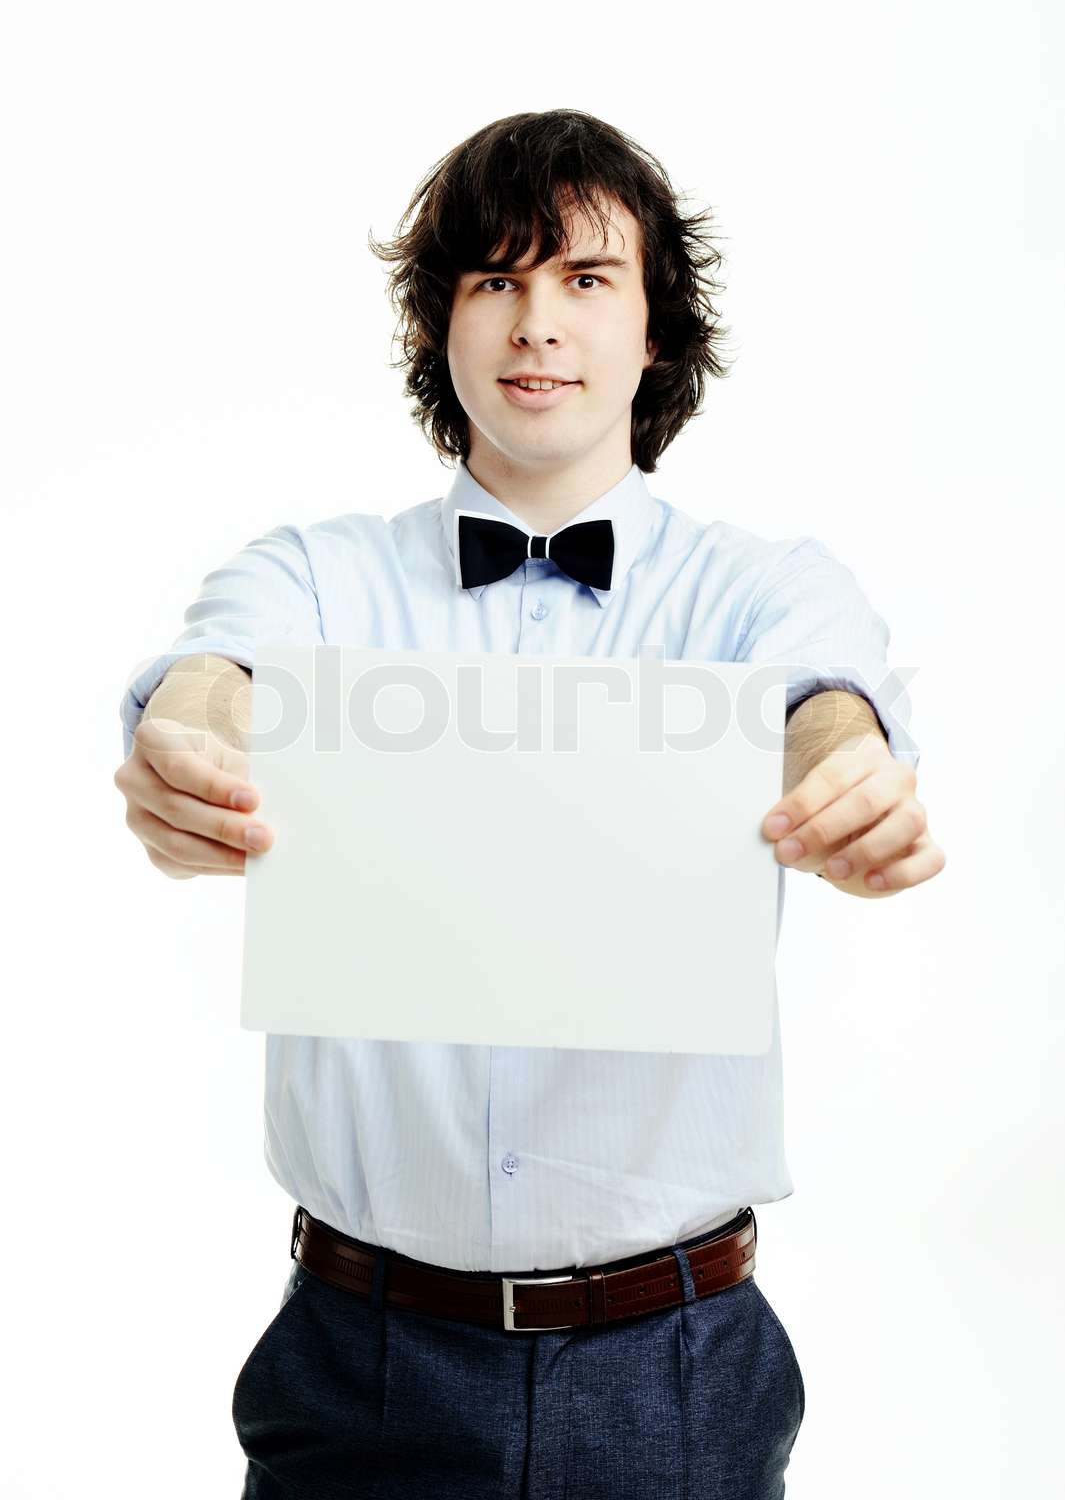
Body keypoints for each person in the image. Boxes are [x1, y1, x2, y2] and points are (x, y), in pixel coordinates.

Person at [114, 109, 944, 1498]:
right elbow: (212, 671)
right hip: (358, 1355)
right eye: (492, 281)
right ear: (438, 326)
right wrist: (183, 742)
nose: (533, 323)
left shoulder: (758, 585)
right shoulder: (320, 577)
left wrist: (844, 767)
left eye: (582, 279)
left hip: (675, 1365)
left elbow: (827, 695)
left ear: (654, 327)